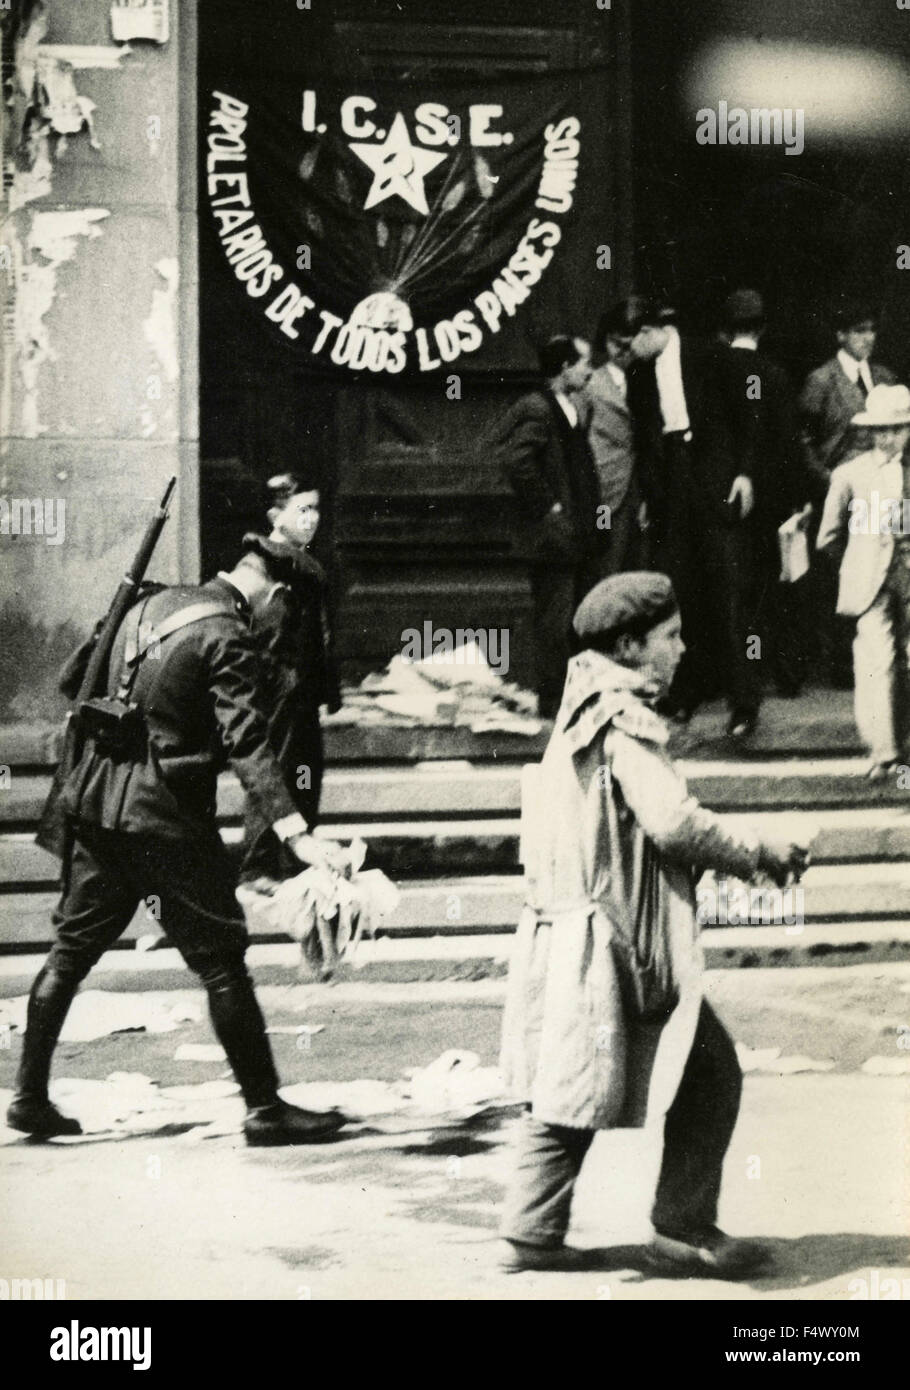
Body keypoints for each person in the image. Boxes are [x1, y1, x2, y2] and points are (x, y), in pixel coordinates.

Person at [498, 572, 808, 1275]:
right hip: (622, 939)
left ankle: (529, 1229)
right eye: (670, 637)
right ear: (631, 644)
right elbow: (672, 821)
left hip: (575, 929)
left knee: (575, 1083)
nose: (682, 648)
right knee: (709, 1072)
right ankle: (681, 1226)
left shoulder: (580, 704)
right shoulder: (623, 717)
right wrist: (757, 853)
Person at [7, 558, 351, 1144]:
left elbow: (74, 682)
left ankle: (30, 1098)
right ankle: (265, 1111)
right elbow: (248, 742)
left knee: (69, 953)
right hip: (164, 818)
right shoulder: (227, 635)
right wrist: (296, 832)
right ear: (272, 593)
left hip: (98, 804)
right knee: (221, 961)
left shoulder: (143, 604)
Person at [625, 300, 743, 723]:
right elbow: (644, 440)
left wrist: (743, 473)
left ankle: (743, 701)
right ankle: (685, 692)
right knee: (681, 589)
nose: (629, 349)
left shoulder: (709, 356)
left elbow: (744, 416)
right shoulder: (638, 375)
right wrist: (648, 496)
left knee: (727, 587)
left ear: (657, 330)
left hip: (711, 475)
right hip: (670, 485)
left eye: (634, 338)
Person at [239, 471, 341, 882]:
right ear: (275, 515)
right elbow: (263, 637)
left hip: (301, 693)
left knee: (306, 771)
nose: (312, 519)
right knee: (273, 771)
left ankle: (296, 859)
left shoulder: (303, 566)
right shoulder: (261, 566)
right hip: (275, 692)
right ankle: (258, 866)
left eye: (316, 509)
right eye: (303, 510)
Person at [714, 289, 810, 721]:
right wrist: (797, 500)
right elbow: (790, 446)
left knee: (742, 598)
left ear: (724, 330)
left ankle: (744, 685)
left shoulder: (714, 373)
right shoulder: (775, 375)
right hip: (774, 504)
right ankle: (788, 675)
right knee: (781, 588)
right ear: (763, 329)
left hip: (731, 506)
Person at [498, 335, 602, 716]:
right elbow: (517, 462)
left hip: (573, 534)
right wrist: (550, 508)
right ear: (563, 368)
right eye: (583, 363)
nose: (589, 370)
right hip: (554, 537)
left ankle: (567, 696)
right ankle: (553, 699)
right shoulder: (539, 408)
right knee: (554, 620)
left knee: (567, 617)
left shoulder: (566, 405)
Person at [816, 384, 910, 780]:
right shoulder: (850, 474)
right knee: (874, 664)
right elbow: (829, 536)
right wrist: (858, 564)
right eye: (879, 430)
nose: (887, 438)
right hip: (871, 581)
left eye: (896, 429)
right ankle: (882, 753)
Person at [799, 304, 896, 686]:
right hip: (838, 489)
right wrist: (826, 481)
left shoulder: (883, 377)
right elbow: (804, 439)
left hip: (880, 494)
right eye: (858, 330)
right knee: (840, 573)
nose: (866, 338)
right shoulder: (822, 380)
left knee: (880, 570)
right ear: (840, 335)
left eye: (871, 330)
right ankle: (840, 663)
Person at [579, 300, 650, 576]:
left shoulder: (650, 382)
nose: (622, 350)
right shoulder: (590, 384)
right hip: (606, 489)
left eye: (628, 343)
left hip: (642, 490)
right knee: (607, 568)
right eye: (615, 343)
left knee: (641, 569)